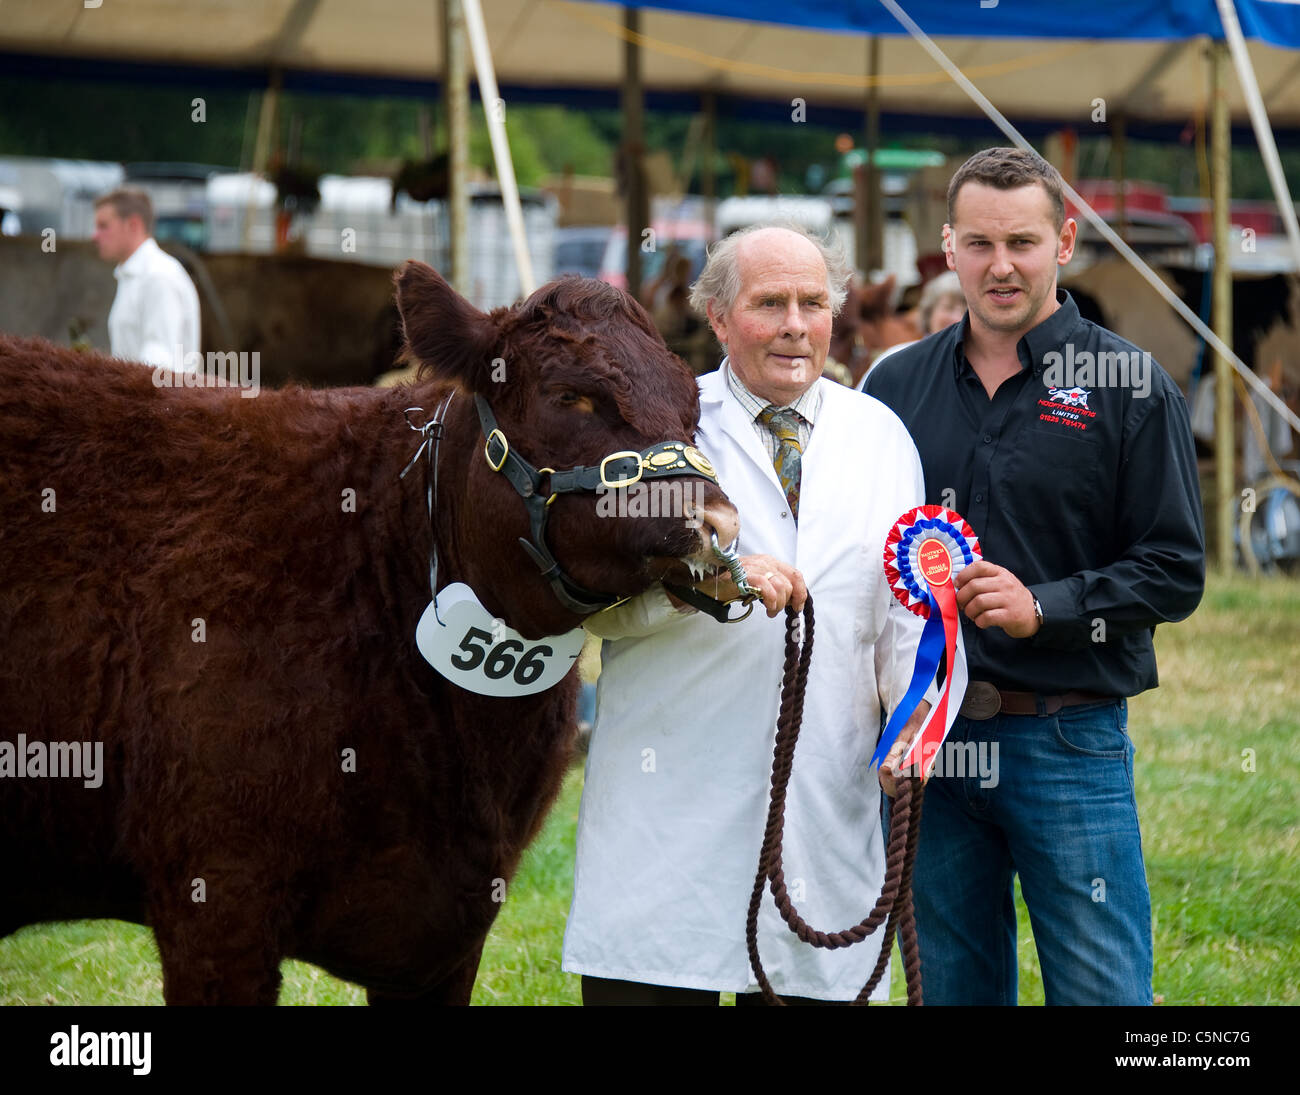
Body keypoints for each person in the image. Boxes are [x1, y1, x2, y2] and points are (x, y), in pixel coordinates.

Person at [864, 147, 1206, 1006]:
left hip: (1068, 740)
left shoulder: (1131, 387)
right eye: (978, 242)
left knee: (1103, 994)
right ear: (947, 246)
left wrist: (1044, 606)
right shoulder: (893, 388)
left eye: (1021, 240)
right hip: (933, 751)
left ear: (1064, 239)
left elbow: (1174, 570)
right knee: (949, 990)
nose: (1000, 265)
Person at [562, 223, 930, 1005]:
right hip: (670, 810)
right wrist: (711, 584)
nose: (797, 324)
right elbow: (597, 608)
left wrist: (915, 721)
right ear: (719, 317)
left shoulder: (882, 438)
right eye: (770, 303)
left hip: (824, 805)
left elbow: (907, 616)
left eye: (813, 302)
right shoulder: (658, 437)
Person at [93, 187, 201, 370]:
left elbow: (159, 364)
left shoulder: (158, 276)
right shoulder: (136, 275)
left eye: (103, 226)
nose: (94, 236)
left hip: (161, 397)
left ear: (133, 225)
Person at [855, 271, 967, 388]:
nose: (957, 318)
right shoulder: (895, 361)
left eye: (966, 311)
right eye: (948, 308)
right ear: (929, 313)